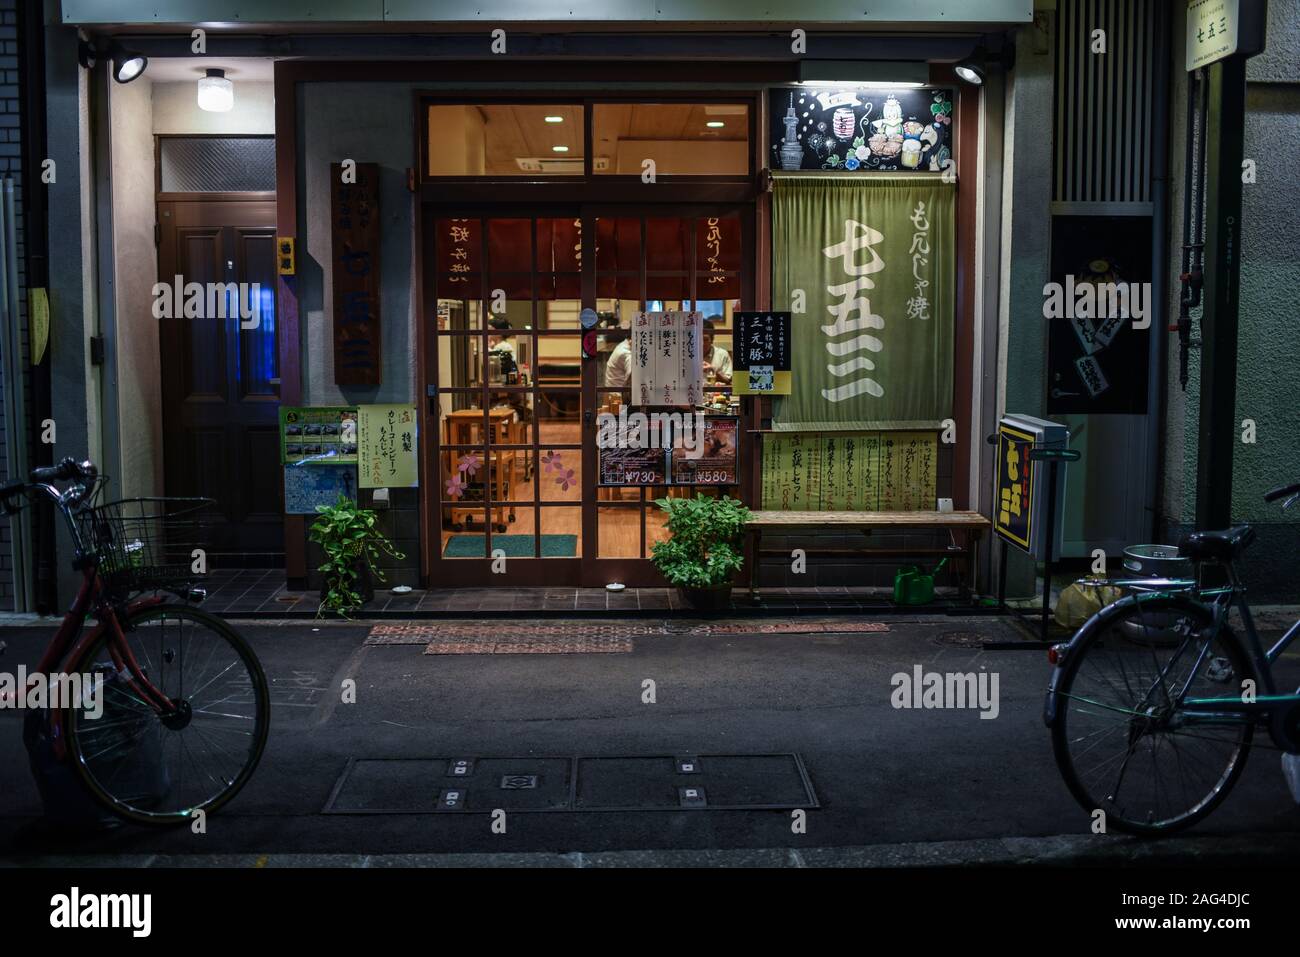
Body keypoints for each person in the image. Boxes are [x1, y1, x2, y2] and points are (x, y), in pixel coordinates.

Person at [702, 318, 732, 385]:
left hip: (717, 394)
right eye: (698, 339)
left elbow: (728, 380)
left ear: (712, 340)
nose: (702, 343)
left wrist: (713, 371)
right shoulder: (686, 354)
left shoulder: (722, 354)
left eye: (705, 339)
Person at [488, 317, 518, 382]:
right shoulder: (502, 345)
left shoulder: (503, 346)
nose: (488, 333)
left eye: (490, 330)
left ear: (499, 333)